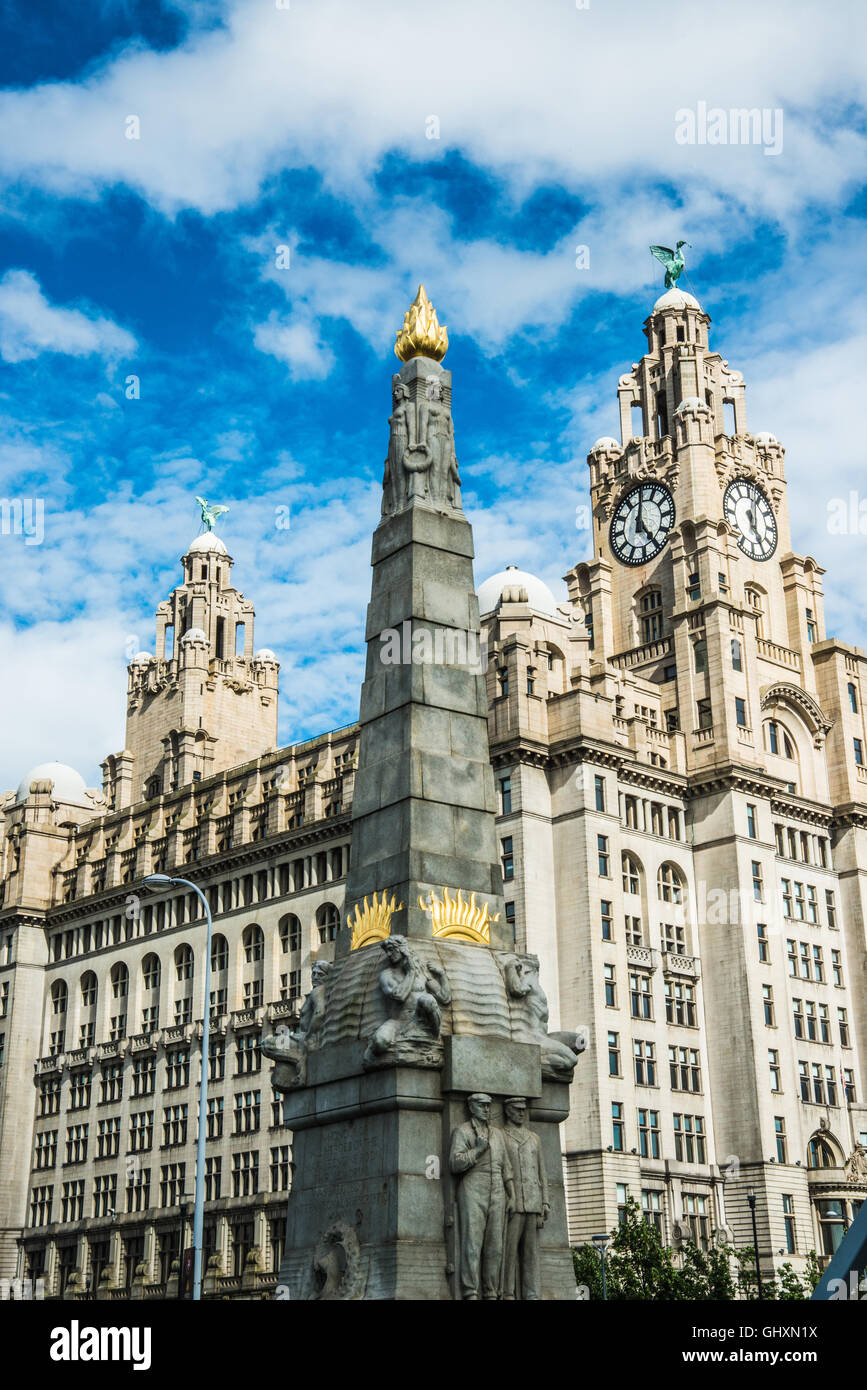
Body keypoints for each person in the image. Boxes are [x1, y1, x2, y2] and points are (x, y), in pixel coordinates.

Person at [449, 1094, 514, 1299]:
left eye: (488, 1105)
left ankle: (491, 1293)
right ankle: (470, 1292)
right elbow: (455, 1163)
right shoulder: (463, 1131)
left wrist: (511, 1195)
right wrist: (477, 1149)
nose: (486, 1109)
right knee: (472, 1243)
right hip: (473, 1185)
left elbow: (507, 1168)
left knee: (495, 1246)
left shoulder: (498, 1134)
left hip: (498, 1190)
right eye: (481, 1105)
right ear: (471, 1107)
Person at [501, 1097, 550, 1300]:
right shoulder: (502, 1136)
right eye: (517, 1109)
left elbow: (542, 1173)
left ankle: (531, 1294)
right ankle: (507, 1292)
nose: (522, 1113)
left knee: (531, 1253)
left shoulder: (534, 1138)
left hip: (532, 1202)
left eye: (523, 1109)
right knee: (509, 1252)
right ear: (508, 1111)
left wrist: (544, 1202)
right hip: (513, 1204)